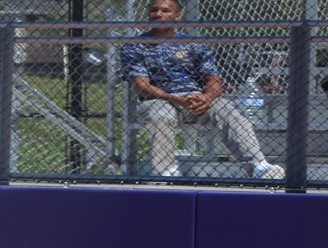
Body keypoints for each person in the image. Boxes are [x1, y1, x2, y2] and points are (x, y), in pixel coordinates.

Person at [120, 0, 285, 180]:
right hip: (158, 100)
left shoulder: (193, 44)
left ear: (177, 16)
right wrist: (175, 99)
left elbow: (214, 80)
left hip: (196, 99)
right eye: (154, 10)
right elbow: (142, 86)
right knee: (159, 115)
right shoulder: (135, 46)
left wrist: (207, 97)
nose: (158, 14)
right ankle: (165, 173)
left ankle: (258, 167)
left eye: (165, 10)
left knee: (227, 110)